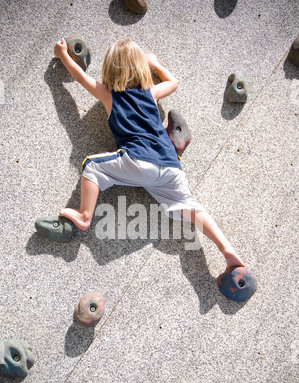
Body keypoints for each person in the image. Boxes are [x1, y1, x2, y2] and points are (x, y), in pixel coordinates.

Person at [53, 38, 244, 270]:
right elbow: (174, 82)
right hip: (171, 166)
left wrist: (63, 54)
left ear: (109, 69)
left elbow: (80, 78)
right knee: (193, 209)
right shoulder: (151, 93)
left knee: (92, 166)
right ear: (141, 69)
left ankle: (85, 216)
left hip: (138, 162)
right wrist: (155, 64)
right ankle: (226, 249)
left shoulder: (108, 94)